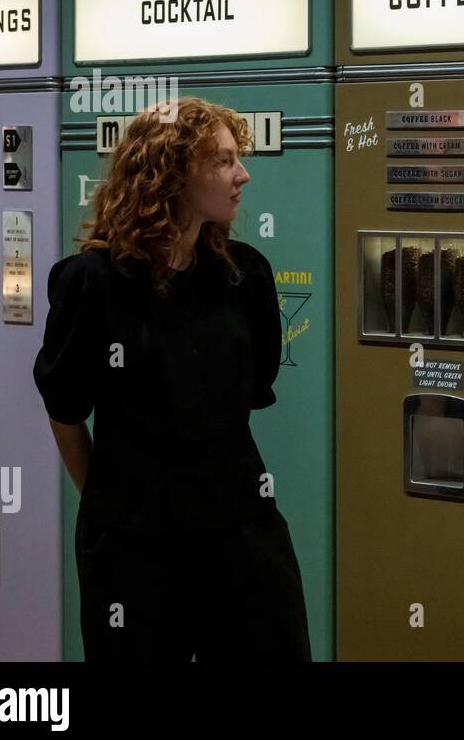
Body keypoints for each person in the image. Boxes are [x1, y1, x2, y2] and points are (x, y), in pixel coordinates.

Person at [33, 97, 311, 661]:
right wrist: (111, 502)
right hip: (134, 548)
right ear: (175, 173)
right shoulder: (93, 282)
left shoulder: (245, 275)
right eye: (226, 161)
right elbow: (64, 409)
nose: (243, 175)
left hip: (241, 531)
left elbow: (253, 393)